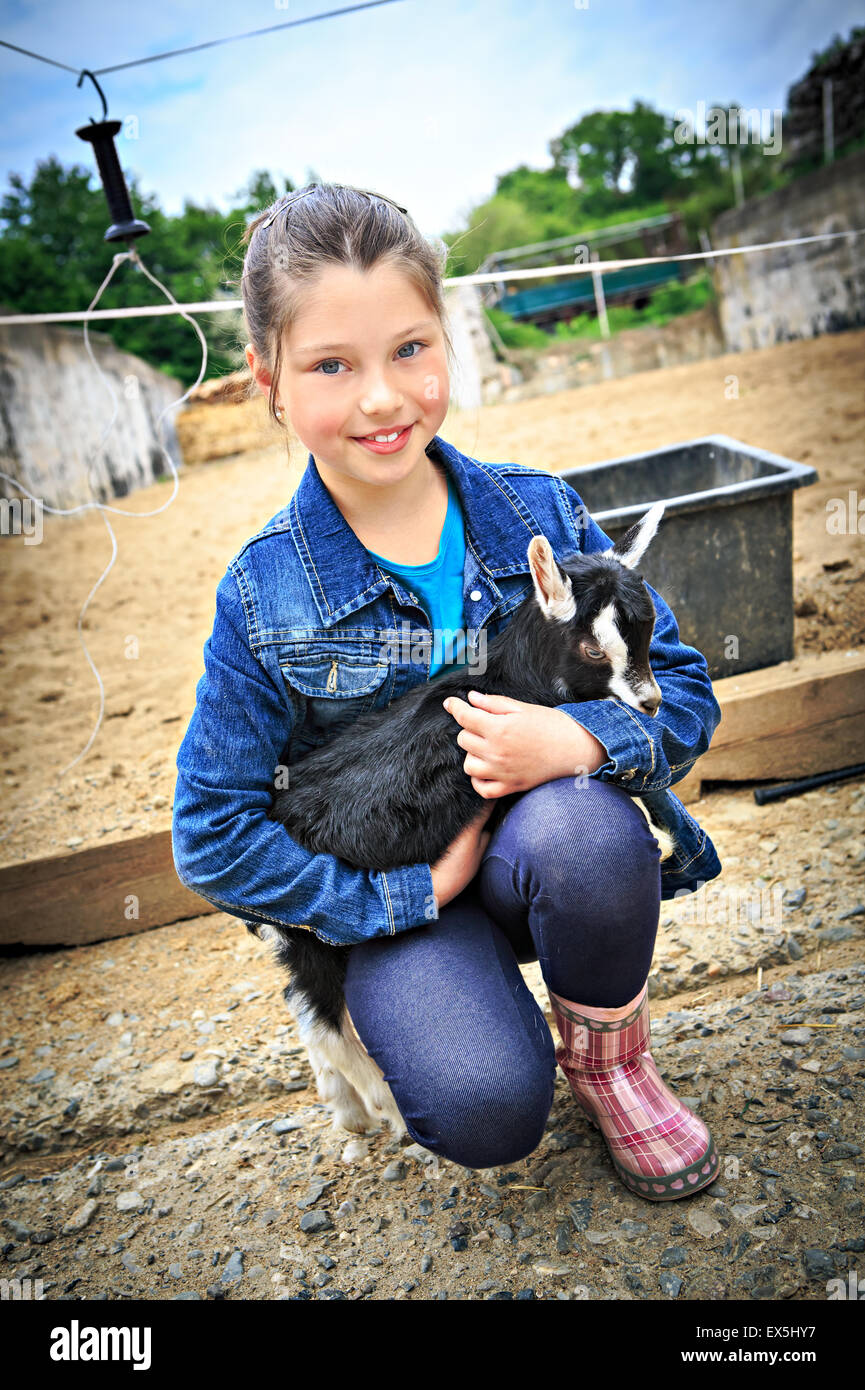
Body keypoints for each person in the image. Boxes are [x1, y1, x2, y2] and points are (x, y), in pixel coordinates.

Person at [173, 182, 724, 1200]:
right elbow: (210, 834)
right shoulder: (263, 593)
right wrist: (399, 894)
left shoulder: (539, 511)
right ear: (267, 381)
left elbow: (682, 693)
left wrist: (580, 745)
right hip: (405, 906)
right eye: (332, 365)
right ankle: (456, 1022)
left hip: (539, 855)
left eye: (409, 349)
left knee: (587, 834)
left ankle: (611, 1062)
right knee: (483, 1106)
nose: (382, 397)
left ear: (446, 340)